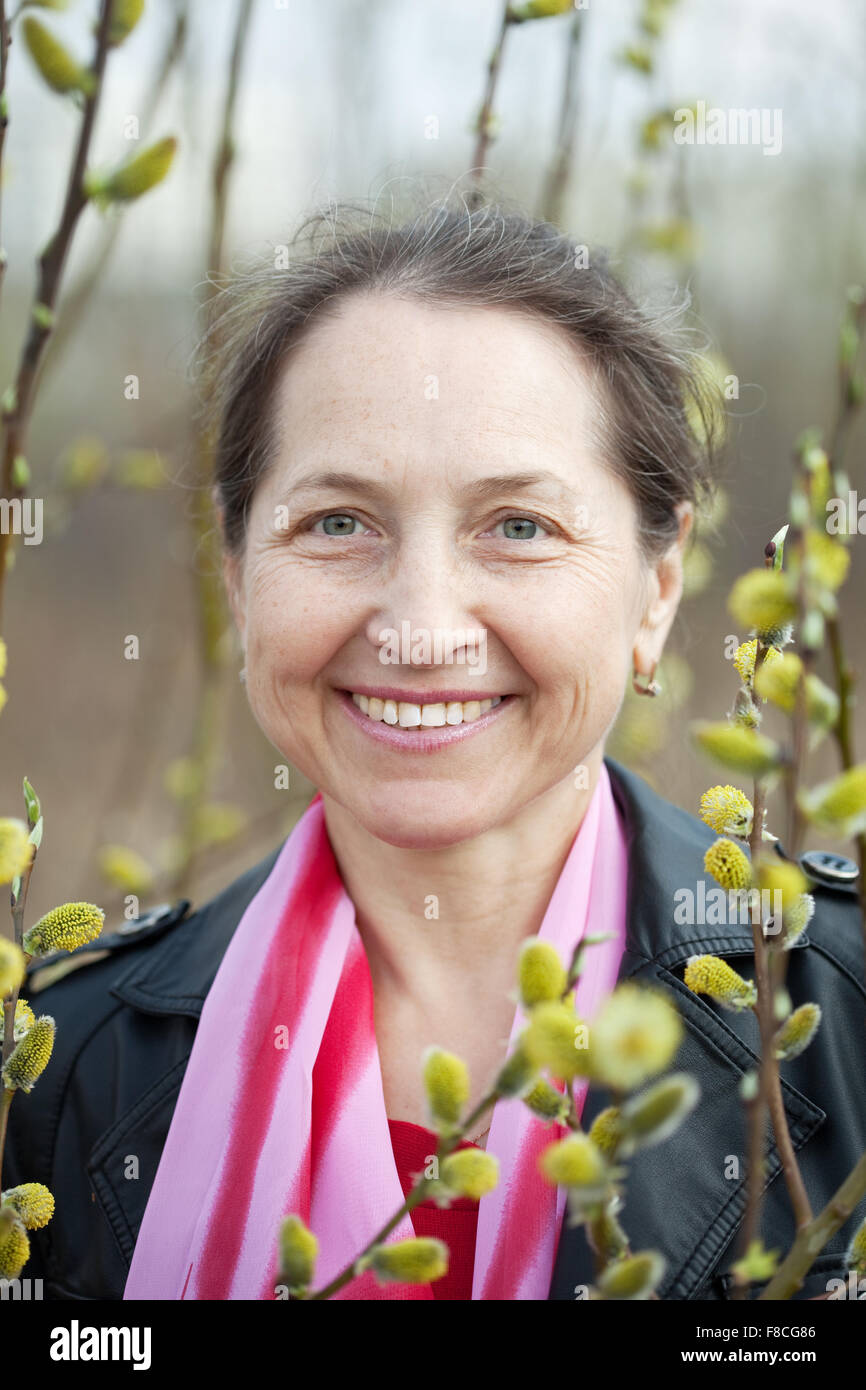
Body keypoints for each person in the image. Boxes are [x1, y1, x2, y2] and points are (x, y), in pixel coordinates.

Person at [6, 196, 865, 1301]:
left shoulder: (843, 1024)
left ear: (655, 589)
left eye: (517, 526)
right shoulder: (48, 1078)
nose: (418, 629)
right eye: (336, 523)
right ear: (235, 574)